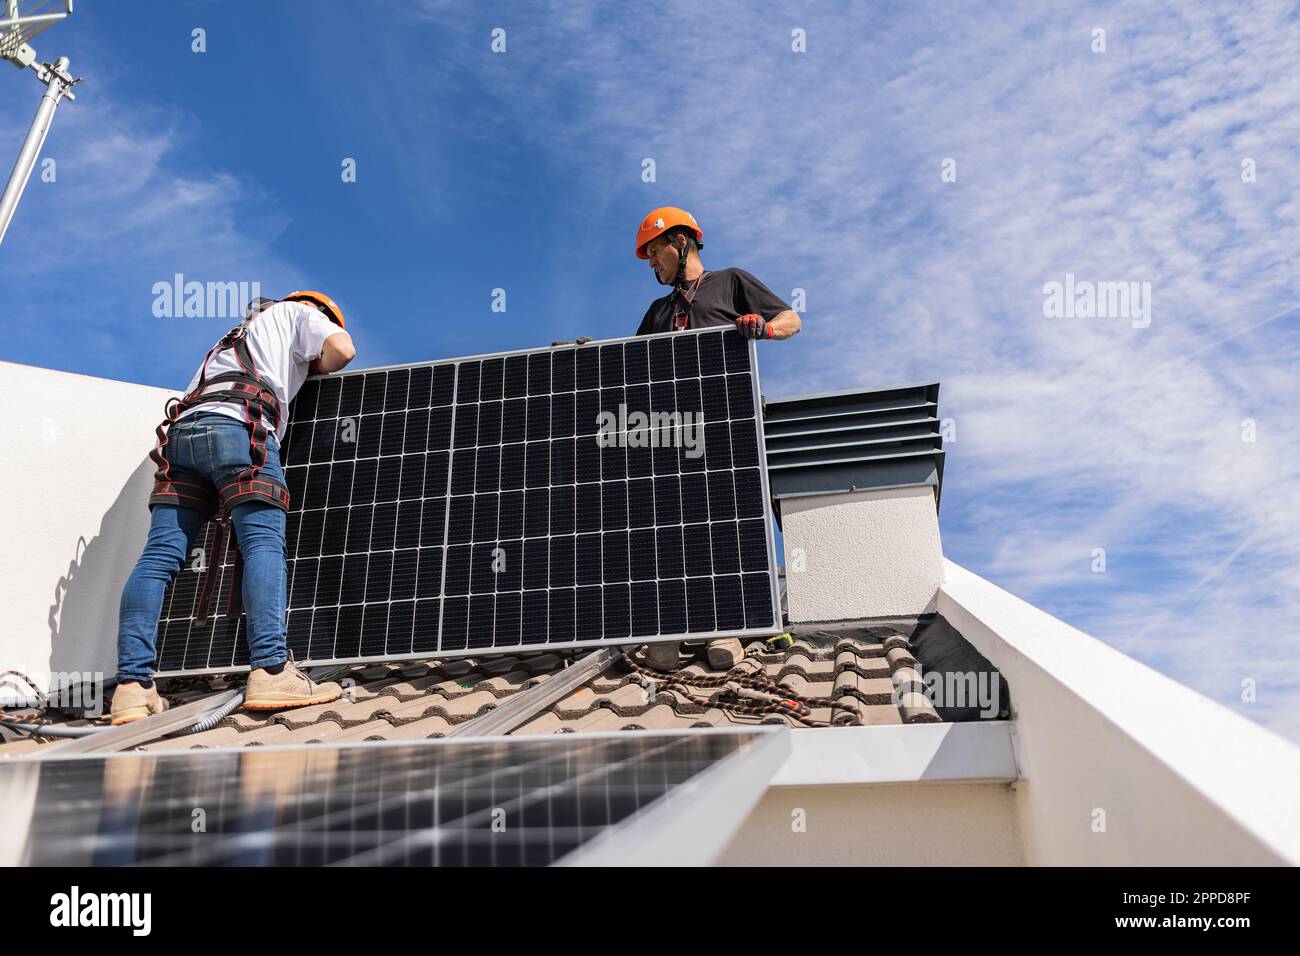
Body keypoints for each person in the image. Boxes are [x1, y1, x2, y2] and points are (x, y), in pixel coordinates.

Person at [109, 292, 357, 725]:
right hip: (240, 429)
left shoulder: (225, 344)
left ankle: (132, 688)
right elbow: (342, 350)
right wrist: (313, 364)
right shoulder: (299, 313)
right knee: (262, 543)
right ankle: (272, 670)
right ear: (321, 313)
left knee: (158, 558)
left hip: (179, 437)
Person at [633, 207, 801, 672]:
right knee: (671, 525)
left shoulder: (730, 282)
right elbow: (632, 368)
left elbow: (791, 320)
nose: (651, 265)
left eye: (653, 253)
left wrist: (762, 328)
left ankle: (731, 623)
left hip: (729, 423)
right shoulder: (658, 313)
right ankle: (671, 626)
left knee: (729, 520)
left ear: (680, 242)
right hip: (673, 430)